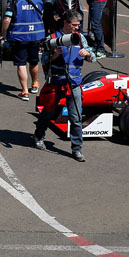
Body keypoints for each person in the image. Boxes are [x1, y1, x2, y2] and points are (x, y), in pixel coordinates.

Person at [33, 10, 93, 162]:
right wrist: (55, 55)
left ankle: (77, 149)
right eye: (74, 25)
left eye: (78, 25)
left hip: (74, 85)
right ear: (66, 23)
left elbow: (93, 56)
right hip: (56, 83)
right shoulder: (52, 39)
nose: (77, 28)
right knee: (47, 113)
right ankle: (39, 135)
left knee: (76, 118)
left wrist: (88, 54)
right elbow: (44, 62)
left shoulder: (80, 38)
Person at [0, 0, 45, 101]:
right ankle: (35, 84)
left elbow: (7, 19)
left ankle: (24, 91)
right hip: (36, 35)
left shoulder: (13, 1)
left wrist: (3, 35)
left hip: (20, 37)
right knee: (34, 60)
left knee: (21, 63)